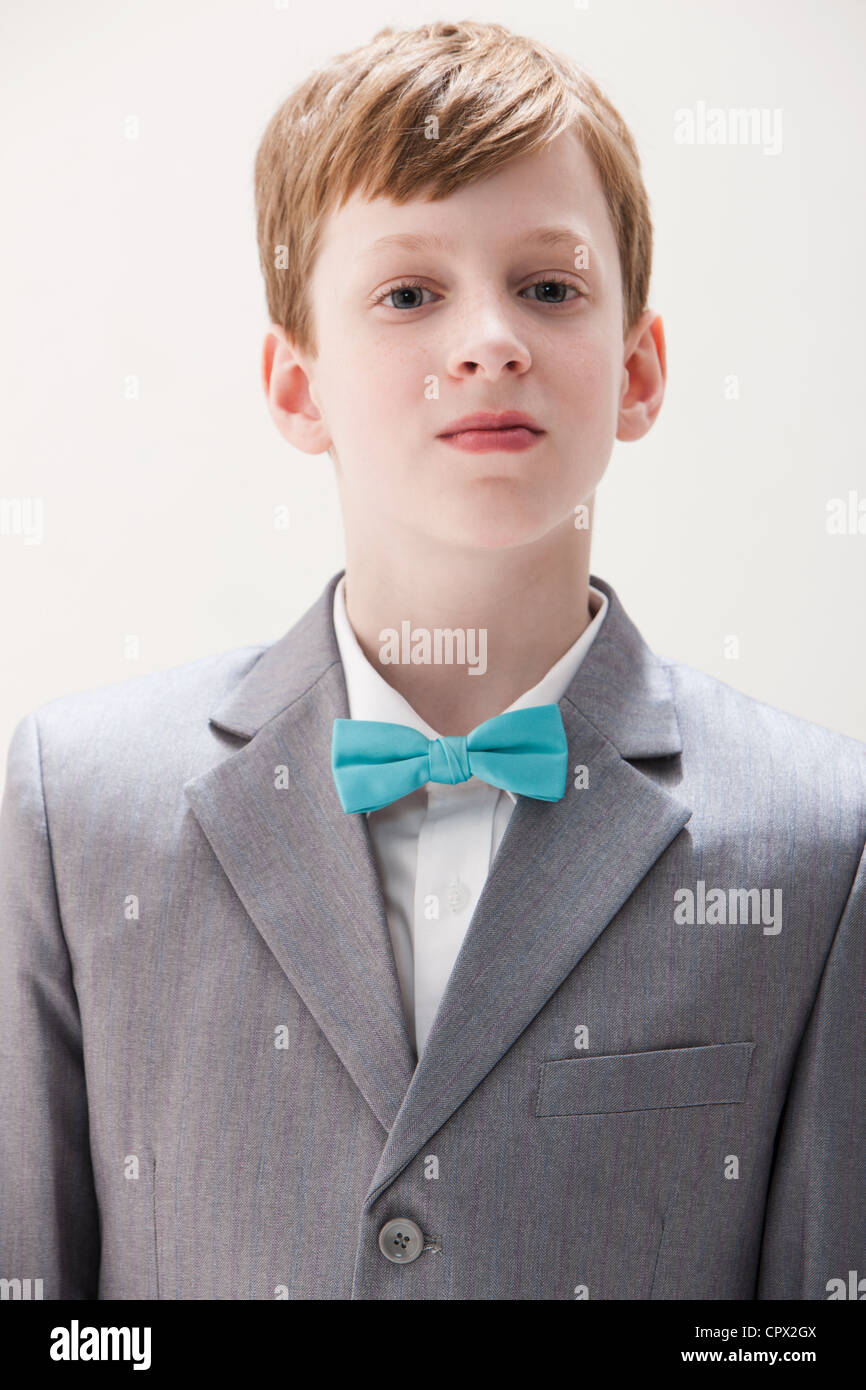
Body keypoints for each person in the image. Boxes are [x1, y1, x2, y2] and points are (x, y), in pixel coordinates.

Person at [1, 19, 863, 1301]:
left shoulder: (819, 835)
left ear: (637, 369)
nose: (489, 340)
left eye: (549, 287)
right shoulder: (77, 806)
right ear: (297, 387)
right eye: (408, 294)